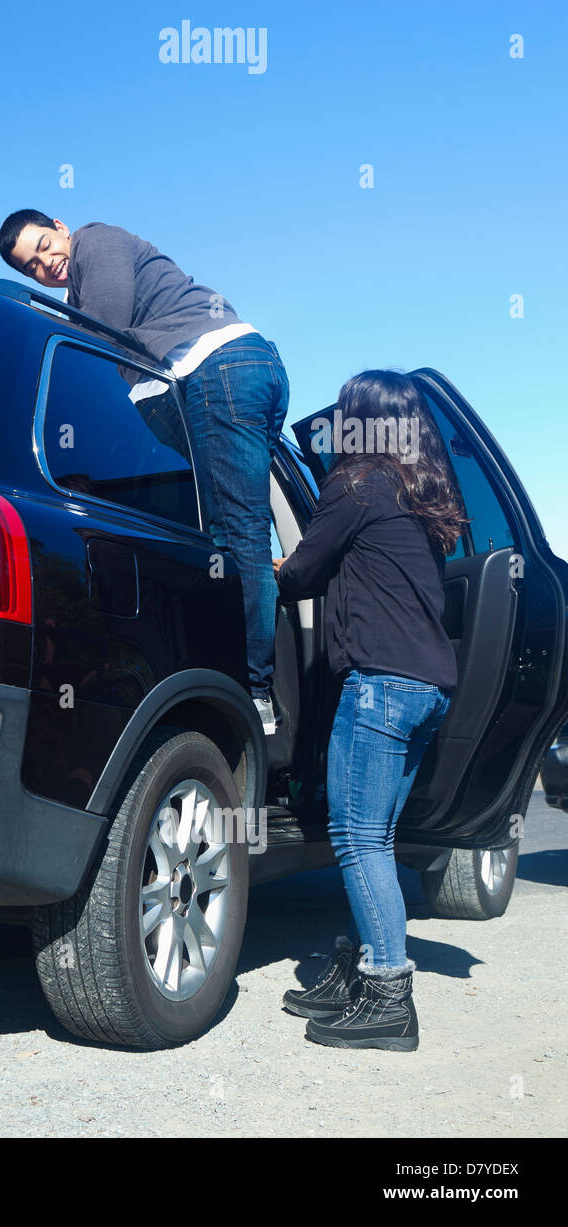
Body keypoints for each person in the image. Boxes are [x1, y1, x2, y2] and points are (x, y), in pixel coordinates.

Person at [0, 210, 289, 731]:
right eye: (34, 268)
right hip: (220, 375)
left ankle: (253, 692)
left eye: (45, 245)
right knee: (224, 527)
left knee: (237, 535)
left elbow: (100, 329)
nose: (47, 263)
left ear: (61, 226)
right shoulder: (80, 278)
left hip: (217, 366)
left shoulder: (96, 242)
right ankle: (245, 682)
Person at [273, 371, 464, 1051]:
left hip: (383, 685)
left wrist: (268, 566)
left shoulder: (355, 484)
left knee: (358, 840)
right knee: (374, 838)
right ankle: (355, 974)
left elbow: (303, 571)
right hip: (428, 689)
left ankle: (387, 998)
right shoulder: (419, 495)